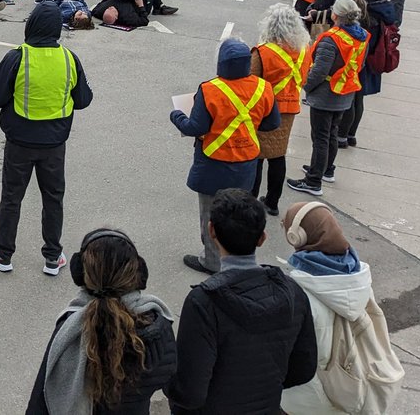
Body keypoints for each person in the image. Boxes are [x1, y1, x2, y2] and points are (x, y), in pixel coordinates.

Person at [166, 189, 317, 414]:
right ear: (262, 238)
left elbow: (189, 392)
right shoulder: (293, 292)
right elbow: (304, 369)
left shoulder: (204, 303)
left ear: (211, 231)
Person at [0, 1, 94, 275]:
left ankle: (4, 254)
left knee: (11, 197)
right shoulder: (69, 58)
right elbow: (83, 100)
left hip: (20, 140)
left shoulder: (18, 56)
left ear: (31, 25)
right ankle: (53, 257)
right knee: (53, 199)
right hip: (54, 144)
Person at [25, 229, 176, 415]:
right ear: (138, 274)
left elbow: (41, 401)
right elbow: (181, 388)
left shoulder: (70, 330)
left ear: (80, 274)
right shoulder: (160, 326)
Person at [279, 202, 404, 415]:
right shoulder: (358, 275)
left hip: (311, 396)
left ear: (296, 236)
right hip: (350, 387)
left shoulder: (299, 291)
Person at [171, 39, 279, 274]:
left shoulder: (210, 89)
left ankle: (211, 261)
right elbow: (272, 124)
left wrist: (176, 116)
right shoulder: (263, 88)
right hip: (246, 163)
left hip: (214, 164)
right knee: (239, 214)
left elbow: (195, 127)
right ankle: (239, 259)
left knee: (210, 215)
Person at [288, 0, 367, 197]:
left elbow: (320, 70)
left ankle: (314, 180)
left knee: (320, 137)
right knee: (331, 133)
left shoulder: (332, 39)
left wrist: (306, 85)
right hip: (346, 91)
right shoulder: (362, 36)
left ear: (335, 15)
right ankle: (326, 169)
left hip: (326, 93)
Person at [250, 4, 310, 216]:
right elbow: (303, 78)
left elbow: (251, 81)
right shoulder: (303, 51)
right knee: (278, 153)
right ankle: (273, 202)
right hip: (289, 107)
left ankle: (252, 200)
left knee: (256, 155)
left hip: (264, 108)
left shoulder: (264, 52)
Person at [339, 0, 397, 148]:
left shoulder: (363, 13)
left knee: (350, 98)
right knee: (359, 99)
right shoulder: (383, 8)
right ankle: (351, 135)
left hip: (358, 60)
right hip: (372, 60)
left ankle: (341, 136)